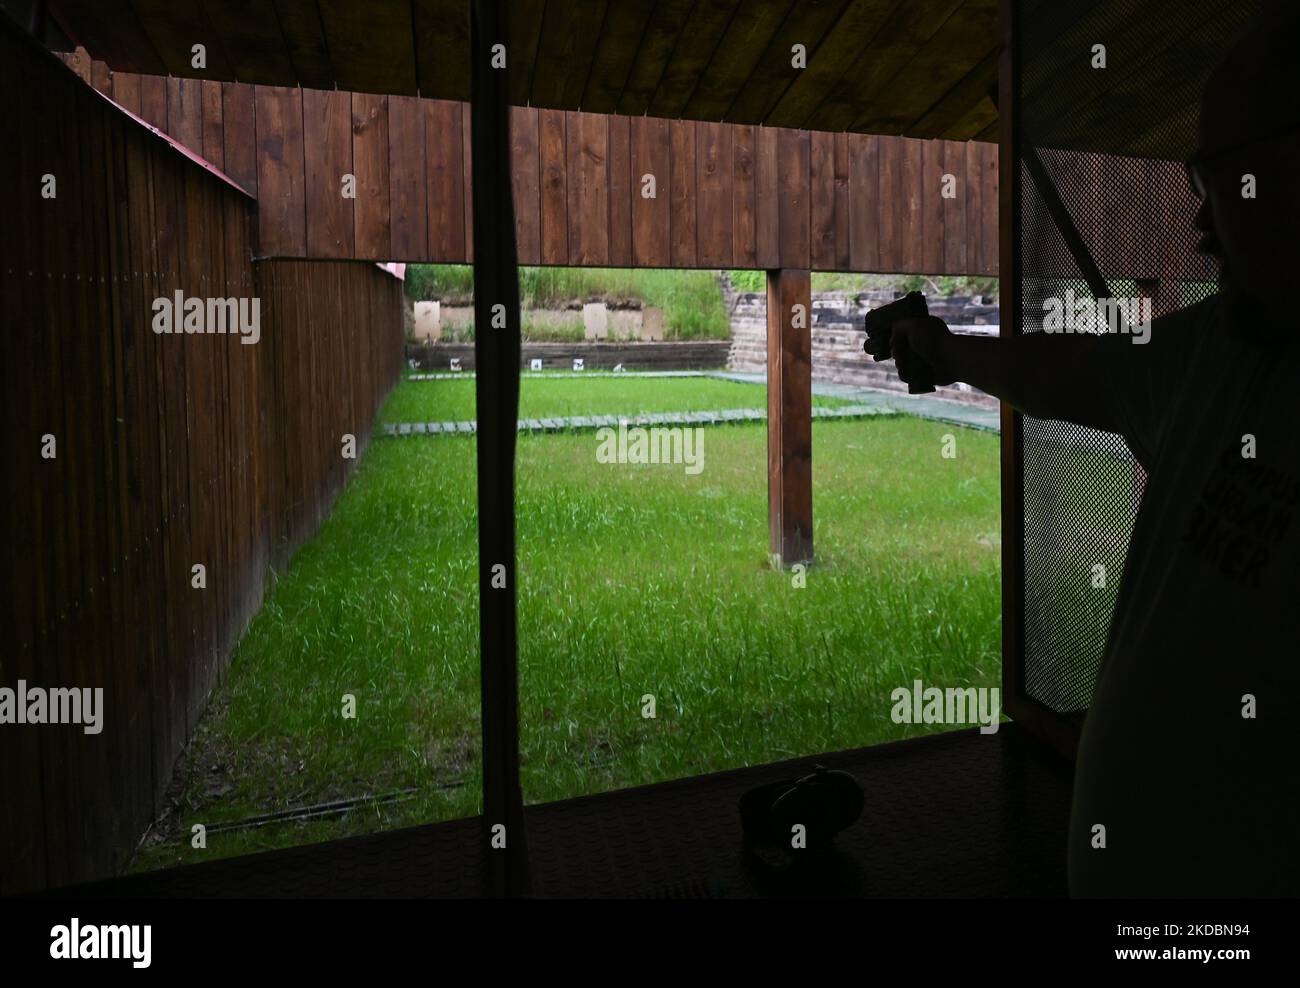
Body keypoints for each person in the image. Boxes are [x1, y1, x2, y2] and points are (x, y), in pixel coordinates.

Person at [878, 10, 1300, 896]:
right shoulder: (1227, 349)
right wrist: (945, 350)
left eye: (1214, 175)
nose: (1199, 218)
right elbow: (1072, 370)